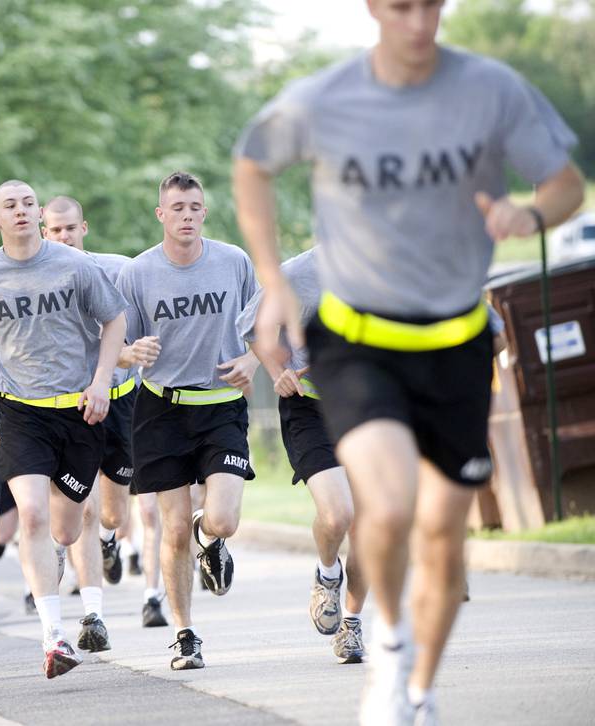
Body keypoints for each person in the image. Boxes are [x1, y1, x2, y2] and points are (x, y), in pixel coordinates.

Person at [232, 1, 585, 721]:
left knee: (443, 537)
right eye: (402, 7)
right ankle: (386, 673)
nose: (420, 22)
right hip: (358, 341)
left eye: (431, 6)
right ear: (372, 9)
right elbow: (251, 164)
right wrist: (271, 281)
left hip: (453, 339)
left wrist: (531, 215)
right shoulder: (329, 95)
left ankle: (416, 689)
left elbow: (565, 183)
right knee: (381, 508)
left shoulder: (488, 88)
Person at [0, 179, 127, 679]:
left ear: (38, 213)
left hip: (79, 412)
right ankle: (54, 636)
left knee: (68, 526)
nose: (21, 211)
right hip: (21, 413)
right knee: (30, 517)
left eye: (28, 203)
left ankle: (54, 561)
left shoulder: (75, 265)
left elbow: (115, 321)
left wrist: (101, 382)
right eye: (10, 205)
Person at [116, 171, 257, 670]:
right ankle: (184, 633)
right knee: (171, 530)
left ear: (205, 212)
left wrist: (254, 362)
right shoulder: (137, 274)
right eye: (177, 208)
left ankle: (210, 537)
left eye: (195, 207)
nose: (187, 216)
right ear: (161, 214)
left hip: (221, 406)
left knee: (223, 519)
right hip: (161, 410)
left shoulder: (233, 262)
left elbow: (264, 325)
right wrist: (133, 353)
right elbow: (117, 347)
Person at [41, 195, 168, 633]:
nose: (63, 236)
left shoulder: (117, 269)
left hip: (121, 401)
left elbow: (147, 320)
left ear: (84, 228)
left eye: (70, 228)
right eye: (55, 230)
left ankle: (111, 541)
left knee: (114, 513)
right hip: (70, 406)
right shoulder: (35, 281)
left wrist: (133, 353)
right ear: (44, 233)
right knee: (85, 506)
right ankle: (91, 609)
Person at [236, 248, 366, 664]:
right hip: (309, 407)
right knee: (337, 515)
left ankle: (351, 625)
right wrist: (279, 372)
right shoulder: (297, 274)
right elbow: (255, 328)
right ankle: (328, 573)